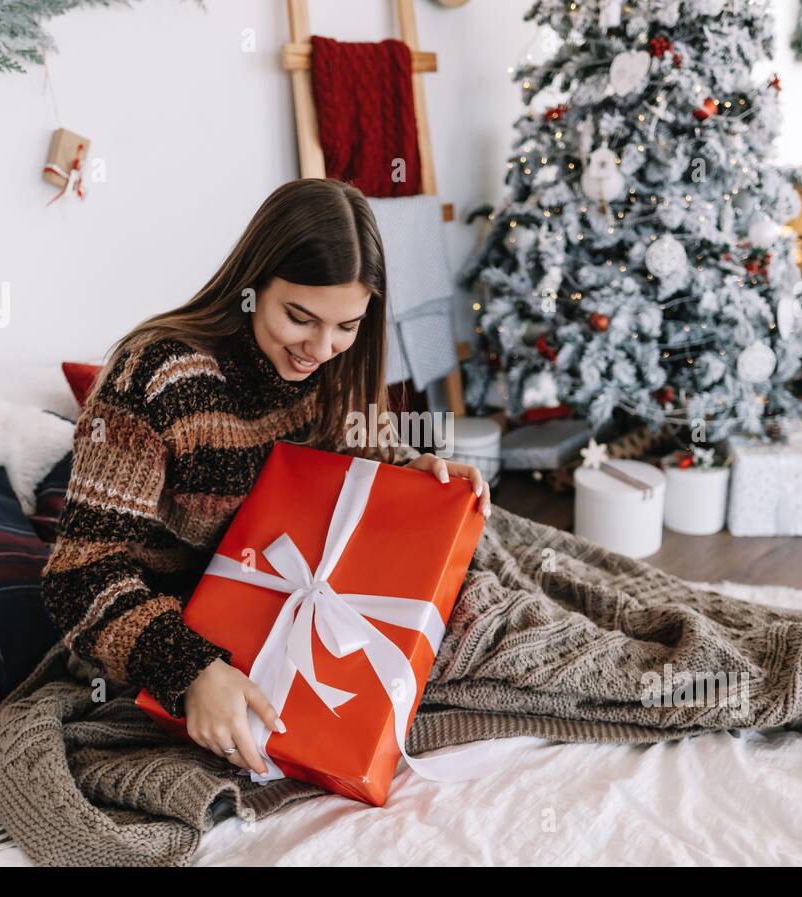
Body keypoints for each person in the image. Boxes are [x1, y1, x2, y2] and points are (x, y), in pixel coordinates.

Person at [39, 178, 491, 777]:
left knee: (487, 605)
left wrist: (414, 471)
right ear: (252, 285)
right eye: (299, 318)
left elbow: (364, 452)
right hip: (179, 631)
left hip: (307, 599)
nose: (321, 348)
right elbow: (79, 574)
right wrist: (189, 669)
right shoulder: (155, 374)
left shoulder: (337, 364)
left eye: (347, 325)